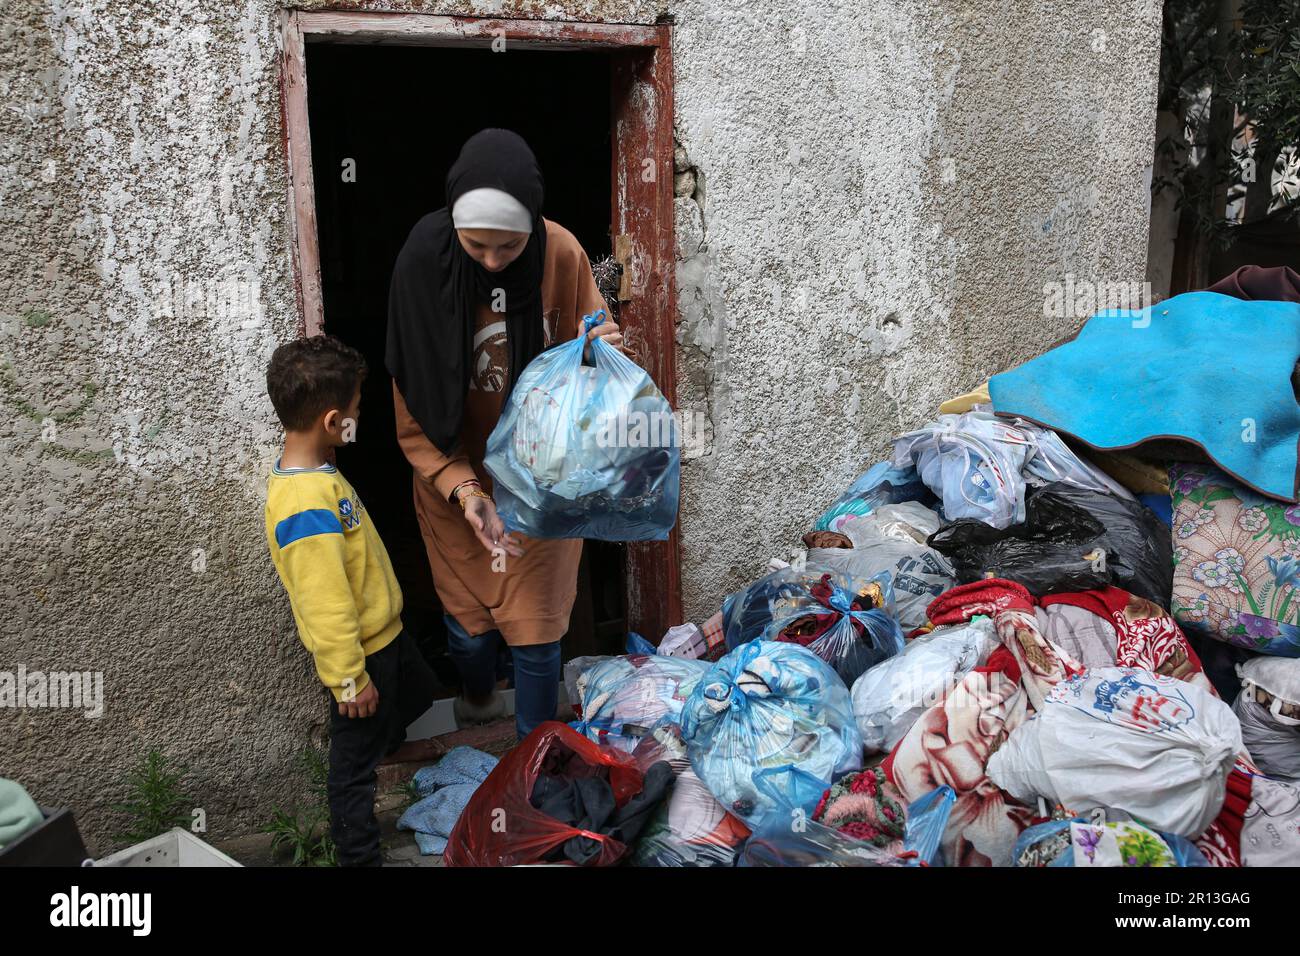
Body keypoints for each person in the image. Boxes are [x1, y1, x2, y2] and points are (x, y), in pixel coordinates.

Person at [387, 128, 628, 740]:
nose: (494, 261)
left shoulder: (561, 253)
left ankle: (532, 769)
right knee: (468, 632)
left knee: (539, 639)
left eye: (510, 247)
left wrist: (597, 349)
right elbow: (412, 403)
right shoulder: (423, 263)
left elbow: (589, 333)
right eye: (477, 246)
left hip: (544, 475)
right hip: (454, 473)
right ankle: (474, 694)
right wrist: (467, 492)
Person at [264, 335, 438, 867]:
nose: (360, 418)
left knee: (420, 694)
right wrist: (349, 678)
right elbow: (323, 600)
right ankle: (359, 857)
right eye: (358, 411)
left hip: (386, 635)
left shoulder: (320, 473)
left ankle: (383, 734)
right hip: (361, 655)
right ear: (332, 418)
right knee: (352, 770)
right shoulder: (302, 502)